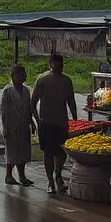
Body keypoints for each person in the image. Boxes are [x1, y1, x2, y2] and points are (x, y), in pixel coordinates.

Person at [31, 52, 77, 195]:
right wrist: (37, 120)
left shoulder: (66, 81)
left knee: (62, 152)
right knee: (48, 153)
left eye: (61, 64)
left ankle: (58, 175)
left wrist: (75, 118)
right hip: (46, 122)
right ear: (50, 64)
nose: (59, 67)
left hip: (61, 122)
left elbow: (71, 100)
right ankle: (50, 181)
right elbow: (33, 102)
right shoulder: (42, 79)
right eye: (55, 64)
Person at [0, 64, 36, 187]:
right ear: (13, 76)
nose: (21, 77)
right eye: (18, 75)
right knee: (12, 151)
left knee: (23, 151)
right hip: (11, 125)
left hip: (23, 124)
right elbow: (3, 111)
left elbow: (28, 108)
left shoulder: (26, 91)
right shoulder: (8, 91)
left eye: (22, 74)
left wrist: (31, 122)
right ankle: (8, 175)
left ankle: (22, 175)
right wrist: (5, 127)